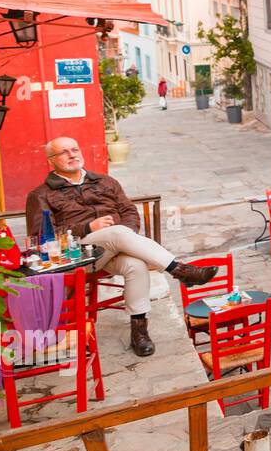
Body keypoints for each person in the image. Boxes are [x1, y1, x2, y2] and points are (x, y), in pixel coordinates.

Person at [26, 136, 219, 357]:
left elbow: (128, 211)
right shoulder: (40, 195)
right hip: (78, 255)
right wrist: (88, 227)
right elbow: (41, 238)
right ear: (51, 161)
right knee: (117, 233)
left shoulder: (105, 181)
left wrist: (125, 237)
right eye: (64, 152)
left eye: (75, 149)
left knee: (135, 264)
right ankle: (180, 270)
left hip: (113, 247)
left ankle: (139, 331)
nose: (72, 155)